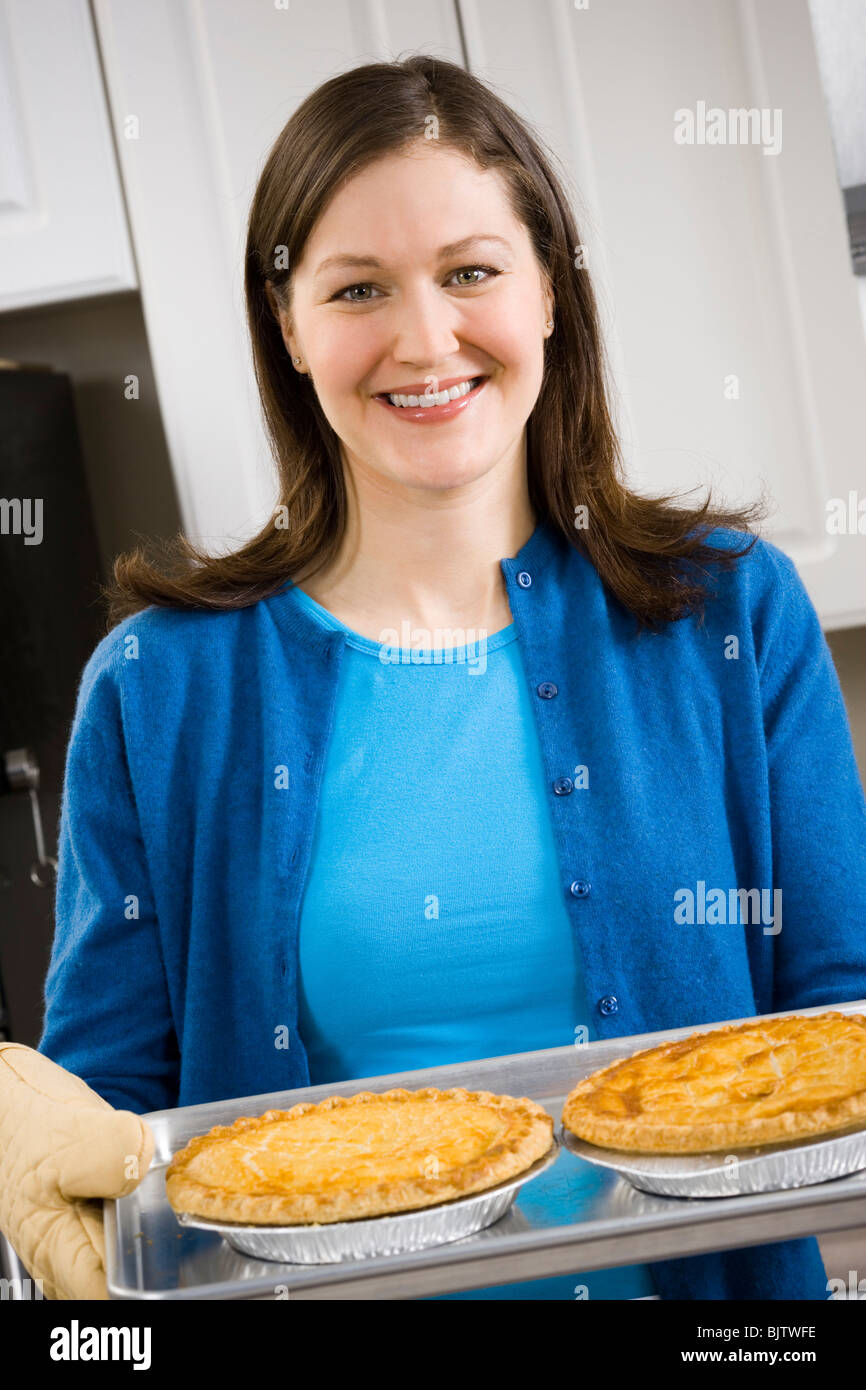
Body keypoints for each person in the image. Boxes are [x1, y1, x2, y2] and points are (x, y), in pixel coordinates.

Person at [2, 54, 864, 1301]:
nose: (424, 339)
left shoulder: (726, 611)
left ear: (550, 294)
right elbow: (104, 1126)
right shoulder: (158, 689)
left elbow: (835, 1022)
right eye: (357, 288)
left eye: (470, 271)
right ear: (287, 325)